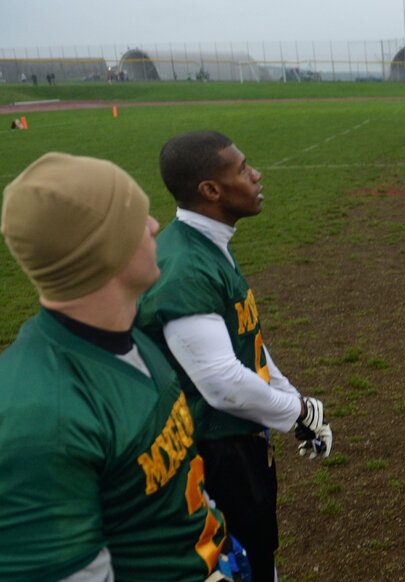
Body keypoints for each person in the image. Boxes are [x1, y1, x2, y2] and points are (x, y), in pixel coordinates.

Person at [0, 153, 227, 580]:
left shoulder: (128, 332)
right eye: (138, 218)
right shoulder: (42, 419)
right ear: (106, 249)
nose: (156, 226)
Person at [137, 131, 334, 579]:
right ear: (211, 190)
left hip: (234, 442)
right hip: (212, 452)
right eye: (243, 169)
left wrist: (295, 400)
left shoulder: (208, 245)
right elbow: (222, 383)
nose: (256, 174)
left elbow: (248, 344)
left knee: (259, 550)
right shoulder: (186, 268)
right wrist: (297, 411)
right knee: (239, 562)